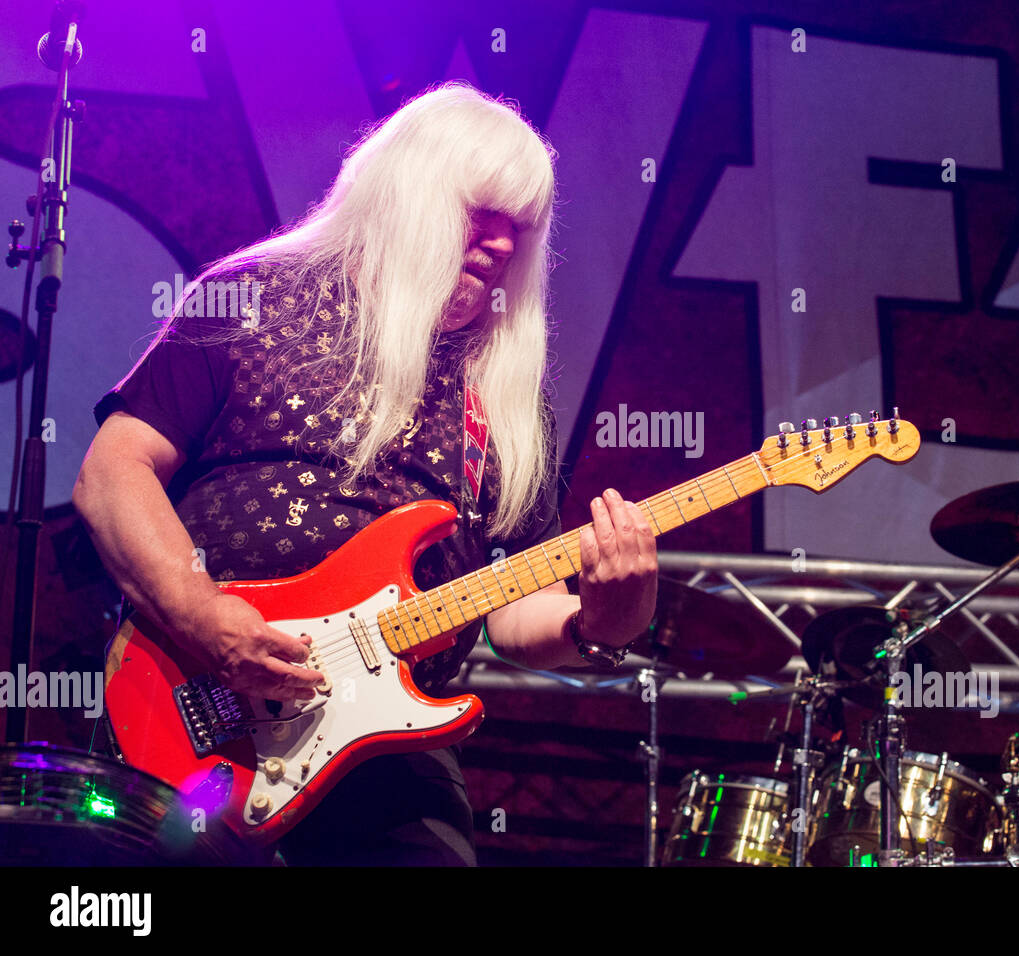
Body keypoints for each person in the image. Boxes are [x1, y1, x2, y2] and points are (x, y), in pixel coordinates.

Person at [72, 82, 658, 865]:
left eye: (520, 225)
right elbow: (113, 473)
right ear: (409, 193)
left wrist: (602, 624)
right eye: (481, 213)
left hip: (388, 748)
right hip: (194, 704)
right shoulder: (252, 299)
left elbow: (518, 613)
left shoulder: (507, 399)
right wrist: (203, 617)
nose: (504, 244)